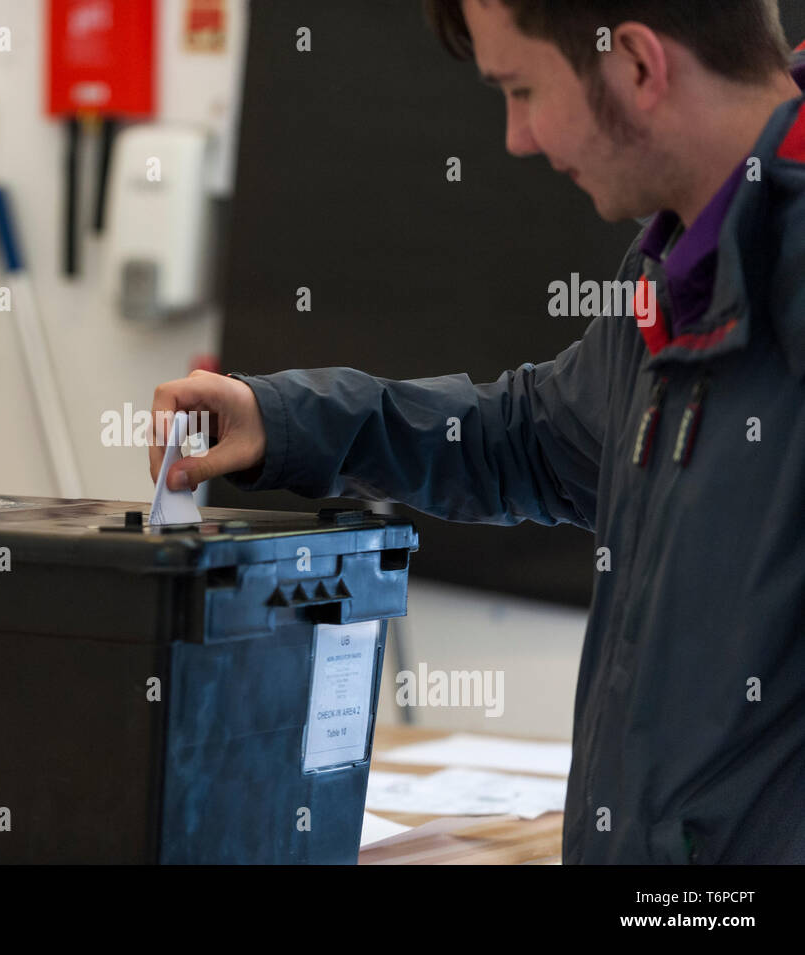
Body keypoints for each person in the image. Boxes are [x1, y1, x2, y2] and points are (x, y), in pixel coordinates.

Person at [148, 0, 805, 864]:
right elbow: (521, 439)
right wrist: (288, 419)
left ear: (640, 67)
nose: (516, 138)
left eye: (524, 89)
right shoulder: (680, 266)